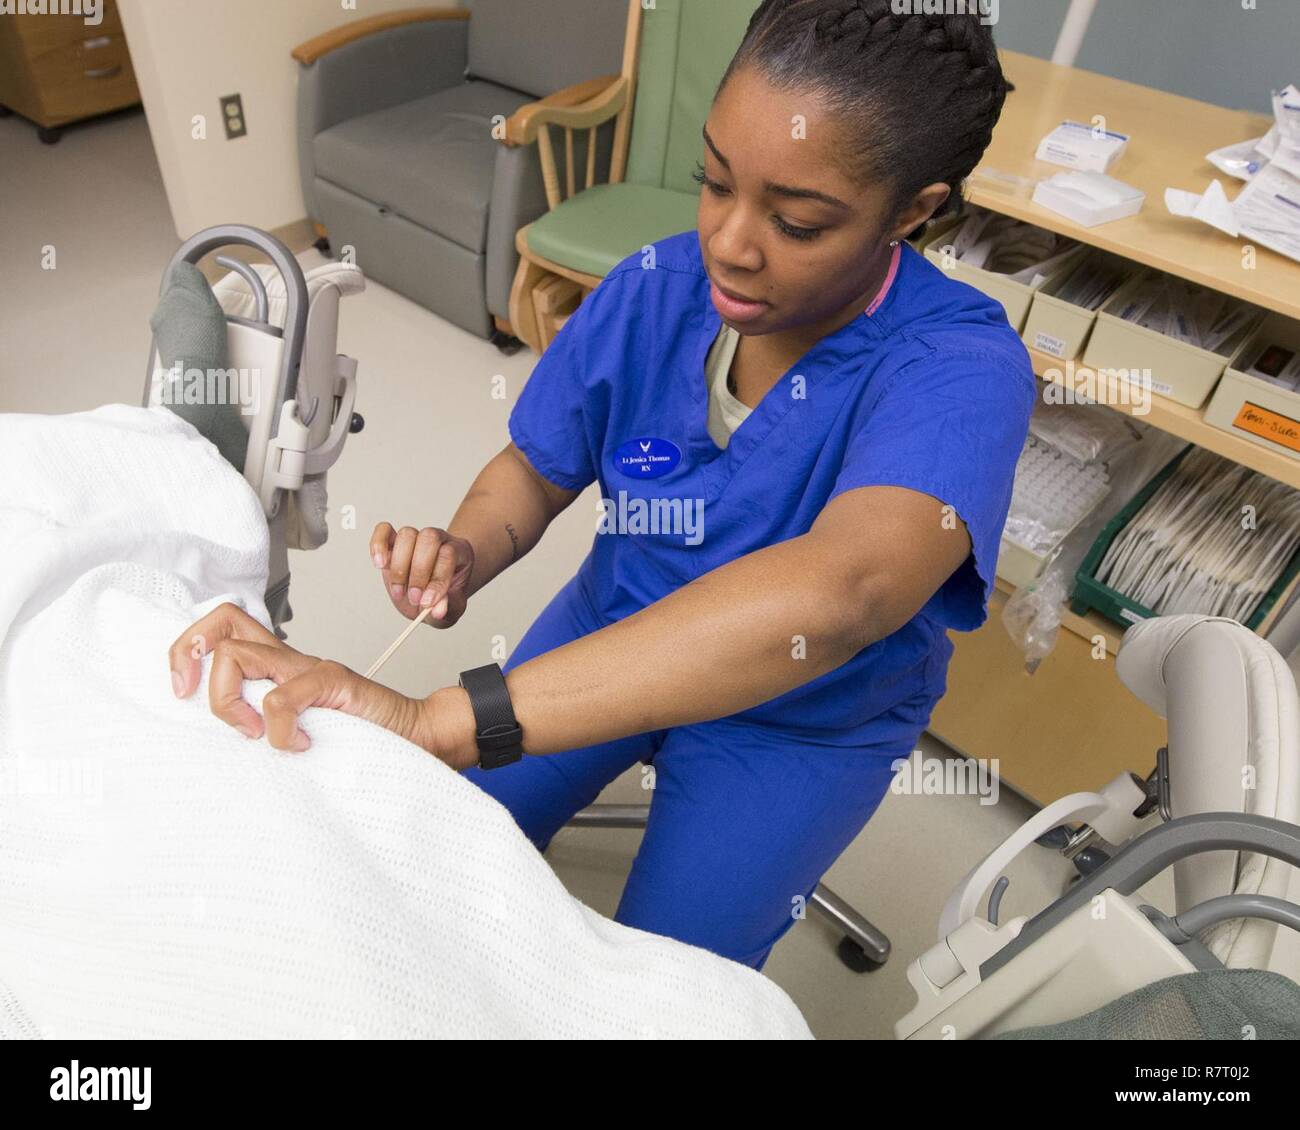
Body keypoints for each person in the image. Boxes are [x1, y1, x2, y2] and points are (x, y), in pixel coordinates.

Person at [171, 1, 1035, 969]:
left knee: (662, 985)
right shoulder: (656, 287)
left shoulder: (959, 369)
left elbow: (840, 596)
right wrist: (467, 547)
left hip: (800, 714)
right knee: (430, 854)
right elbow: (533, 472)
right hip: (613, 618)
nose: (729, 242)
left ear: (910, 211)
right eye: (713, 180)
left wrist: (444, 718)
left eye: (794, 221)